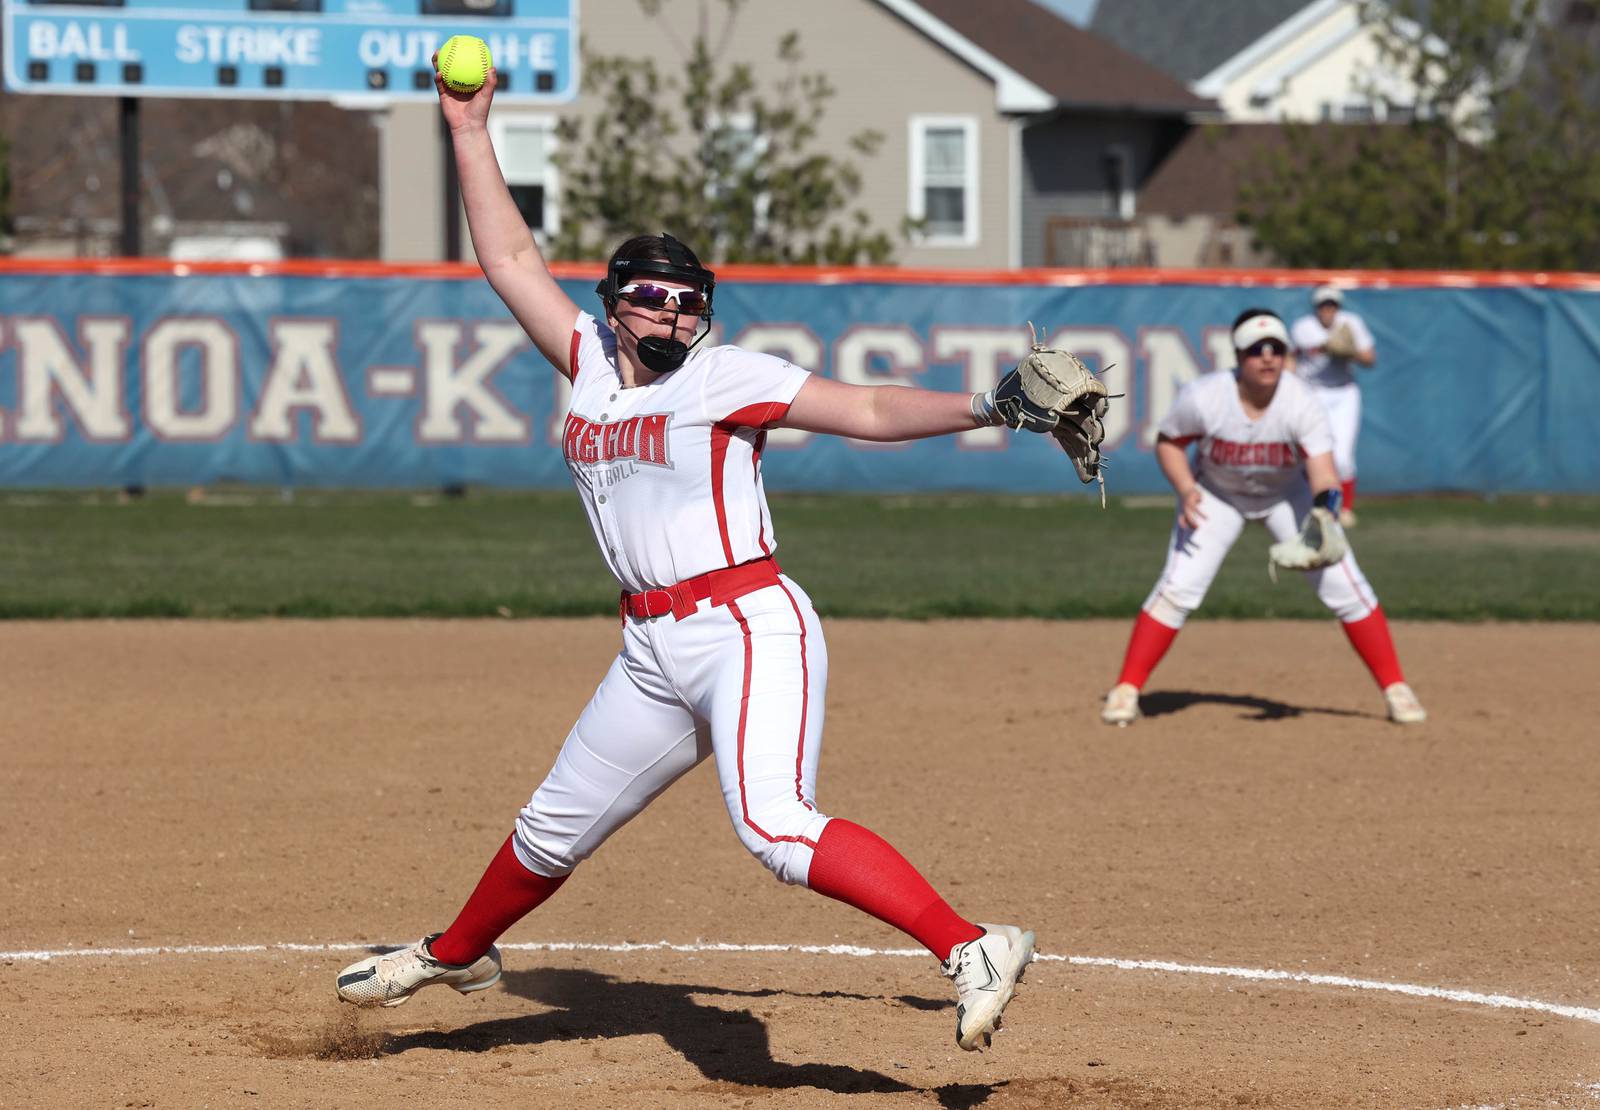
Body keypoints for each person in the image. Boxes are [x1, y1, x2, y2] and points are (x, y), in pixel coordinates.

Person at [330, 54, 1093, 1053]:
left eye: (689, 301)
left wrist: (986, 405)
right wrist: (469, 131)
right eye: (653, 295)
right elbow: (510, 259)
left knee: (774, 824)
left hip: (744, 625)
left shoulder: (721, 376)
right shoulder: (588, 364)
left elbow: (865, 407)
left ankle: (973, 945)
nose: (673, 314)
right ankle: (456, 953)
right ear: (613, 301)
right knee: (552, 827)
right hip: (651, 647)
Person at [1099, 309, 1425, 728]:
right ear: (1238, 357)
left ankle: (1396, 688)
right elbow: (1169, 442)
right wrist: (1185, 488)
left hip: (1287, 495)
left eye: (1276, 348)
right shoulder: (1204, 397)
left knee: (1346, 586)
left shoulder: (1301, 401)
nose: (1268, 356)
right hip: (1217, 495)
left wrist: (1325, 513)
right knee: (1178, 588)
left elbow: (1324, 471)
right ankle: (1126, 689)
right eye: (1256, 349)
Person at [1291, 285, 1375, 528]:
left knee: (1342, 458)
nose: (1328, 310)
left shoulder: (1351, 322)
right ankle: (1309, 504)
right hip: (1312, 393)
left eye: (1332, 305)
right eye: (1323, 306)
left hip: (1344, 393)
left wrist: (1351, 352)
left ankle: (1343, 508)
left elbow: (1370, 359)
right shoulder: (1304, 327)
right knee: (1310, 452)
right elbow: (1292, 358)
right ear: (1316, 308)